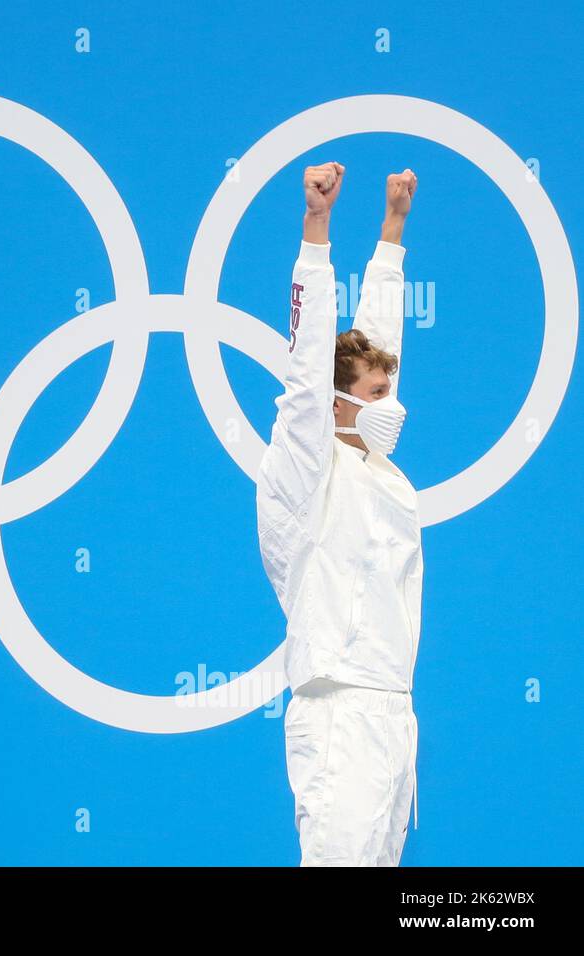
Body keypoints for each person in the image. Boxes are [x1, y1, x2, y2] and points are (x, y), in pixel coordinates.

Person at [256, 161, 423, 866]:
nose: (392, 404)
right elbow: (307, 371)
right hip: (339, 713)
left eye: (391, 390)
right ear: (335, 407)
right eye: (376, 394)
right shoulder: (305, 472)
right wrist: (316, 231)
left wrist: (393, 232)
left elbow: (379, 344)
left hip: (392, 712)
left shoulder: (377, 470)